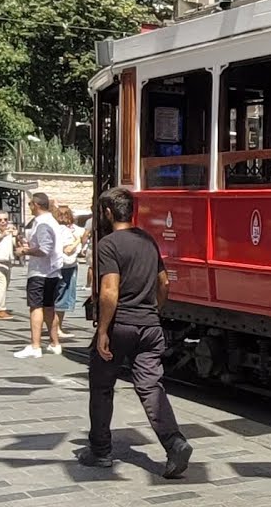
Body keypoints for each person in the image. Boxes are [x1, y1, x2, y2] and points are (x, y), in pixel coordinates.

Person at [80, 187, 192, 478]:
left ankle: (101, 451)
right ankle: (174, 443)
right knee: (151, 387)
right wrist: (156, 311)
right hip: (149, 325)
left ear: (107, 213)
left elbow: (109, 290)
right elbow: (164, 283)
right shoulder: (148, 241)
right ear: (131, 211)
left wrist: (103, 330)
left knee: (102, 385)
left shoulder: (109, 244)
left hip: (121, 325)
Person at [13, 193, 64, 358]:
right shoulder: (51, 222)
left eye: (30, 204)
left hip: (41, 272)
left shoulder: (43, 223)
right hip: (53, 271)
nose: (29, 207)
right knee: (50, 308)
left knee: (36, 307)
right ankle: (54, 343)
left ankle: (35, 345)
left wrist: (25, 251)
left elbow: (44, 249)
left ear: (36, 204)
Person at [53, 205, 86, 340]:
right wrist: (79, 239)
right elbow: (68, 250)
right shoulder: (64, 231)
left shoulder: (57, 229)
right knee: (62, 297)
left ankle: (57, 328)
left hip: (57, 266)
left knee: (59, 296)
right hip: (66, 266)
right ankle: (57, 329)